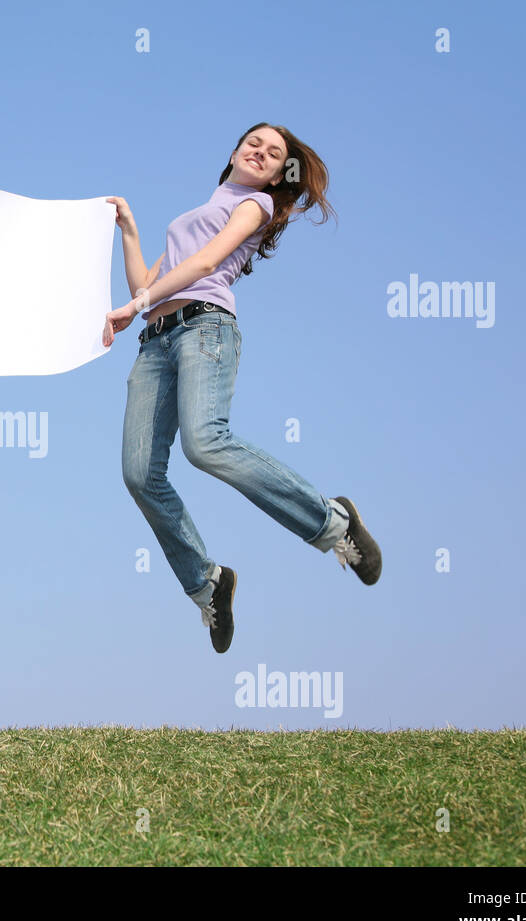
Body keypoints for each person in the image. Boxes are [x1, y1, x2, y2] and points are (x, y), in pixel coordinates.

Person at [103, 123, 381, 654]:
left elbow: (204, 266)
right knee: (139, 473)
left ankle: (332, 521)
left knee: (205, 443)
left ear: (279, 174)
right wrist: (130, 230)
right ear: (233, 151)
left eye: (274, 153)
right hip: (156, 342)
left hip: (205, 329)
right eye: (254, 142)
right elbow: (147, 287)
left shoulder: (252, 206)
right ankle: (208, 582)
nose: (261, 152)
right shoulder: (194, 217)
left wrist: (136, 307)